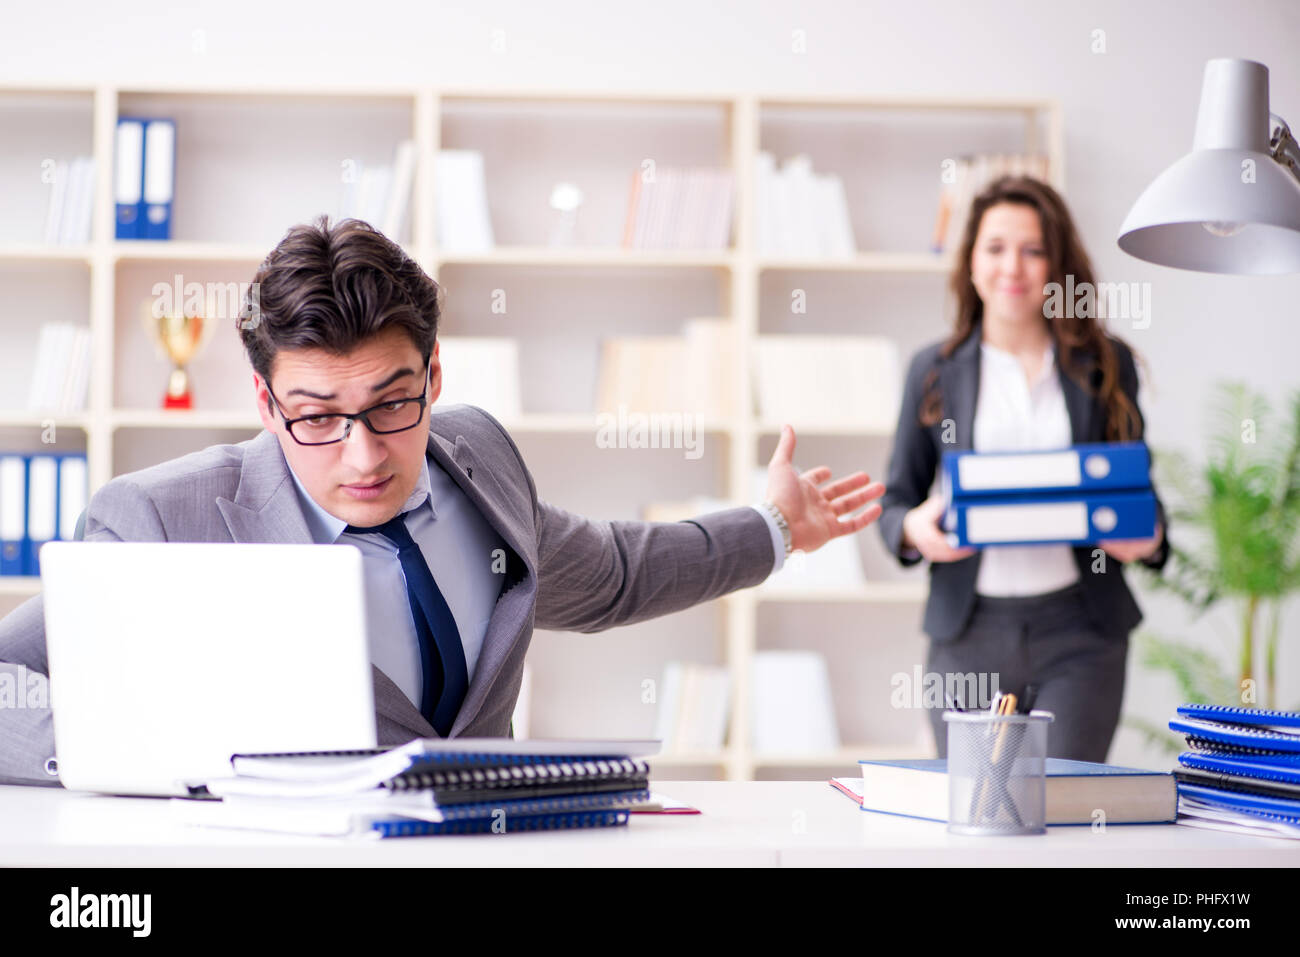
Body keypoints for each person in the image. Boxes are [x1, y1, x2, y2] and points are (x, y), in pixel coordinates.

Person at [0, 216, 886, 787]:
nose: (365, 454)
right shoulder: (162, 522)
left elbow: (614, 574)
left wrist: (776, 529)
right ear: (267, 405)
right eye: (316, 417)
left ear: (433, 374)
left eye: (392, 403)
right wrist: (143, 747)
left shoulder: (480, 457)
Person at [877, 176, 1168, 763]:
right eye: (996, 248)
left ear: (1057, 262)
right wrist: (917, 529)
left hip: (1081, 633)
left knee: (1063, 816)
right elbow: (896, 503)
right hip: (968, 632)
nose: (1014, 266)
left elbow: (1142, 497)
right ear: (971, 262)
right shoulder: (932, 370)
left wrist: (1148, 538)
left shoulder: (1105, 366)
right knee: (979, 817)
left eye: (1034, 249)